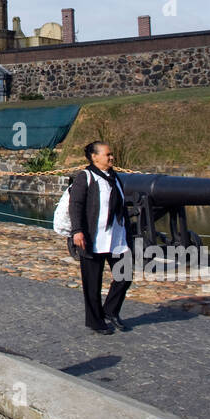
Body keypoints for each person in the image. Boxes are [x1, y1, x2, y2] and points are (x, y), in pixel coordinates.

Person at [68, 141, 133, 334]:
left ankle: (110, 311)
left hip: (116, 237)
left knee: (125, 275)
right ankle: (96, 321)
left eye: (111, 154)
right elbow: (76, 205)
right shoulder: (85, 177)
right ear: (94, 157)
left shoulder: (114, 177)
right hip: (93, 238)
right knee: (93, 283)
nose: (111, 157)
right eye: (108, 154)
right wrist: (77, 231)